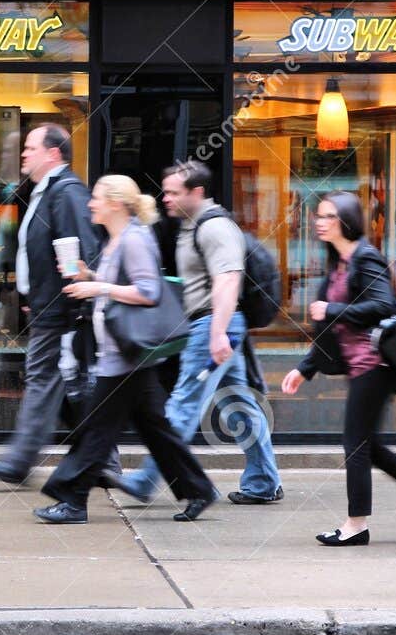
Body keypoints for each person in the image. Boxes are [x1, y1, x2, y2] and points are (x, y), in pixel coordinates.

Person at [34, 175, 219, 524]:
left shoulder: (134, 239)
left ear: (116, 203)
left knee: (95, 430)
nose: (91, 204)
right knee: (155, 429)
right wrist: (87, 276)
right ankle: (198, 489)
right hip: (122, 352)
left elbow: (147, 292)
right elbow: (119, 285)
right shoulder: (118, 239)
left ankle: (72, 500)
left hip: (124, 355)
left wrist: (98, 288)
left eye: (97, 198)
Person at [279, 191, 396, 547]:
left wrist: (331, 309)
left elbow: (382, 305)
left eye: (328, 216)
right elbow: (333, 331)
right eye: (318, 216)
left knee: (355, 444)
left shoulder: (365, 257)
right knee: (368, 444)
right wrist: (304, 369)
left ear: (346, 220)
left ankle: (356, 525)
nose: (319, 222)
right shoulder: (339, 262)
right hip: (361, 366)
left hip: (376, 364)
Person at [118, 161, 282, 505]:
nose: (165, 198)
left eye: (173, 193)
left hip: (214, 323)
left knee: (183, 404)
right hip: (217, 324)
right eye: (165, 192)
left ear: (197, 192)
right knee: (239, 405)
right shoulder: (190, 225)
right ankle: (264, 481)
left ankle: (146, 480)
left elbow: (228, 279)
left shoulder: (214, 227)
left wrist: (218, 333)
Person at [0, 123, 102, 484]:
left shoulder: (66, 193)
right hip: (49, 306)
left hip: (61, 310)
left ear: (53, 153)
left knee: (44, 379)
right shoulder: (46, 192)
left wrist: (72, 303)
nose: (23, 154)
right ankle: (101, 461)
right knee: (58, 384)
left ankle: (20, 462)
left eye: (31, 148)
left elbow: (79, 251)